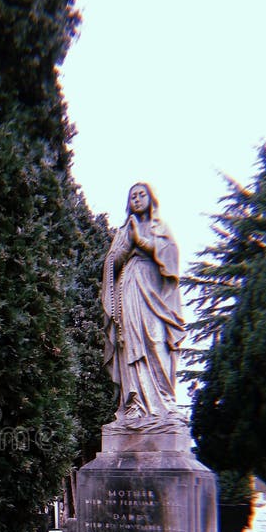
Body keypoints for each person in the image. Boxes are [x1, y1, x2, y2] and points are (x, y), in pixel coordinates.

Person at [102, 182, 186, 428]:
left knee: (157, 341)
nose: (137, 199)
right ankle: (134, 405)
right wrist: (127, 245)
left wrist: (144, 242)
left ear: (151, 199)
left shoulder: (160, 227)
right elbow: (110, 265)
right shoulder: (124, 230)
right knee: (132, 344)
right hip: (129, 290)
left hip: (155, 290)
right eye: (133, 196)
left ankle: (165, 404)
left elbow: (171, 259)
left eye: (142, 195)